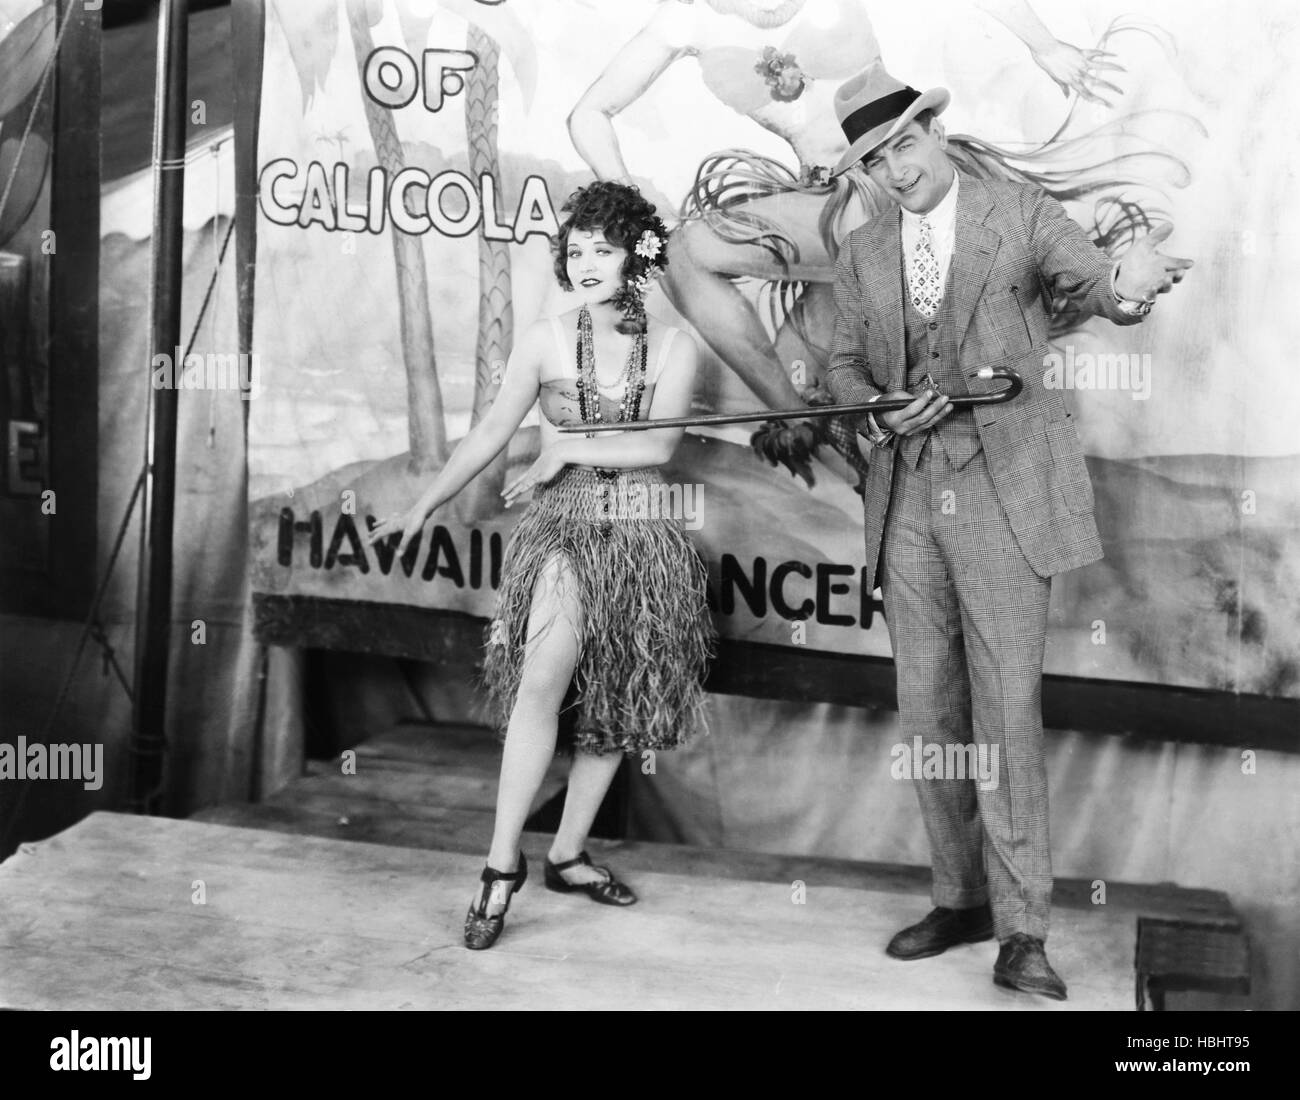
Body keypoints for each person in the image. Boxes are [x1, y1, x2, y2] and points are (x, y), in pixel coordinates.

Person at [824, 64, 1191, 999]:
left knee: (1005, 718)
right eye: (873, 157)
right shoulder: (861, 250)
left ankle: (1023, 931)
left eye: (903, 143)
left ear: (936, 133)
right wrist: (873, 409)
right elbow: (838, 366)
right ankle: (960, 897)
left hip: (1003, 495)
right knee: (928, 713)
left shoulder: (1019, 214)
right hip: (904, 501)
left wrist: (1132, 286)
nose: (894, 169)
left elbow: (1098, 285)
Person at [568, 0, 1137, 483]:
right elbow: (588, 112)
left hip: (882, 188)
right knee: (812, 392)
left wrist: (1044, 45)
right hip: (823, 204)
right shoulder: (685, 20)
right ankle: (824, 450)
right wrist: (632, 197)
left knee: (697, 254)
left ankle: (812, 423)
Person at [366, 181, 714, 951]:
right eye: (577, 248)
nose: (586, 262)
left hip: (643, 531)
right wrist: (426, 504)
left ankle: (566, 851)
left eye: (605, 248)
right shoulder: (544, 339)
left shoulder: (679, 347)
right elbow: (493, 426)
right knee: (541, 680)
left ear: (638, 255)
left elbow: (657, 448)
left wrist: (565, 447)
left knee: (625, 693)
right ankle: (500, 864)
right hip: (564, 530)